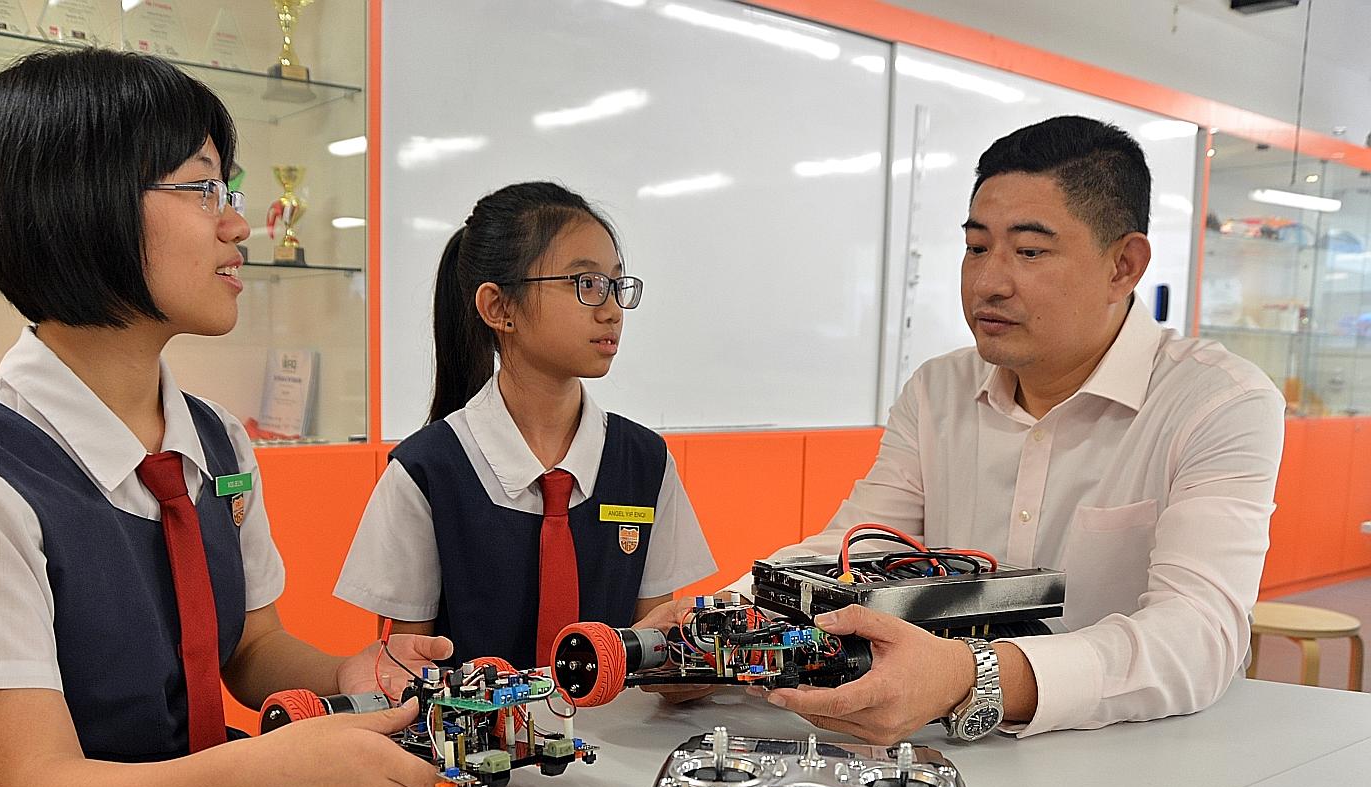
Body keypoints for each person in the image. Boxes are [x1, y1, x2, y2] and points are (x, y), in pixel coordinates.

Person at [0, 49, 455, 787]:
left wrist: (355, 668)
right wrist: (274, 772)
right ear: (85, 204)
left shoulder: (216, 443)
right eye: (203, 187)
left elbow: (249, 648)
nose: (238, 226)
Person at [737, 115, 1285, 743]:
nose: (988, 283)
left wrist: (975, 676)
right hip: (941, 749)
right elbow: (852, 552)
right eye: (976, 248)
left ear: (1123, 266)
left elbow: (1199, 633)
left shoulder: (1217, 402)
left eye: (1029, 251)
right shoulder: (938, 390)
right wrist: (714, 619)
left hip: (1137, 750)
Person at [335, 181, 716, 669]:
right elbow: (407, 673)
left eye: (616, 284)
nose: (611, 309)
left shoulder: (645, 462)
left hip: (623, 744)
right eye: (586, 283)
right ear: (499, 308)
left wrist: (695, 664)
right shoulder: (426, 473)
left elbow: (658, 658)